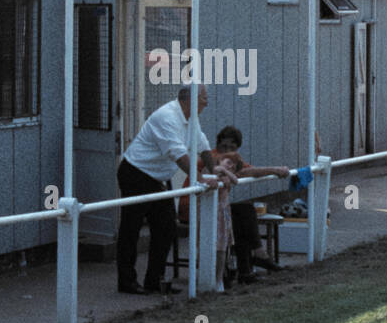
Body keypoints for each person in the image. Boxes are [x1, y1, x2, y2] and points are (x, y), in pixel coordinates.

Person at [117, 85, 234, 295]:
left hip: (156, 178)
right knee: (131, 229)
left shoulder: (191, 119)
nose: (207, 103)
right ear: (191, 99)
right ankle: (126, 281)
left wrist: (214, 169)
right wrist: (201, 181)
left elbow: (203, 146)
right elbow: (179, 156)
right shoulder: (167, 117)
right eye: (204, 98)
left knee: (166, 227)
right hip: (135, 173)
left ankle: (155, 279)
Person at [188, 126, 290, 286]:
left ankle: (245, 270)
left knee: (241, 218)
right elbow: (244, 172)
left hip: (215, 207)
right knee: (244, 212)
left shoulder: (232, 159)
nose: (227, 150)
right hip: (195, 207)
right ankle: (255, 256)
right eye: (224, 146)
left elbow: (247, 170)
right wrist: (275, 170)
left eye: (232, 147)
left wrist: (275, 170)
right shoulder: (211, 158)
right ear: (217, 145)